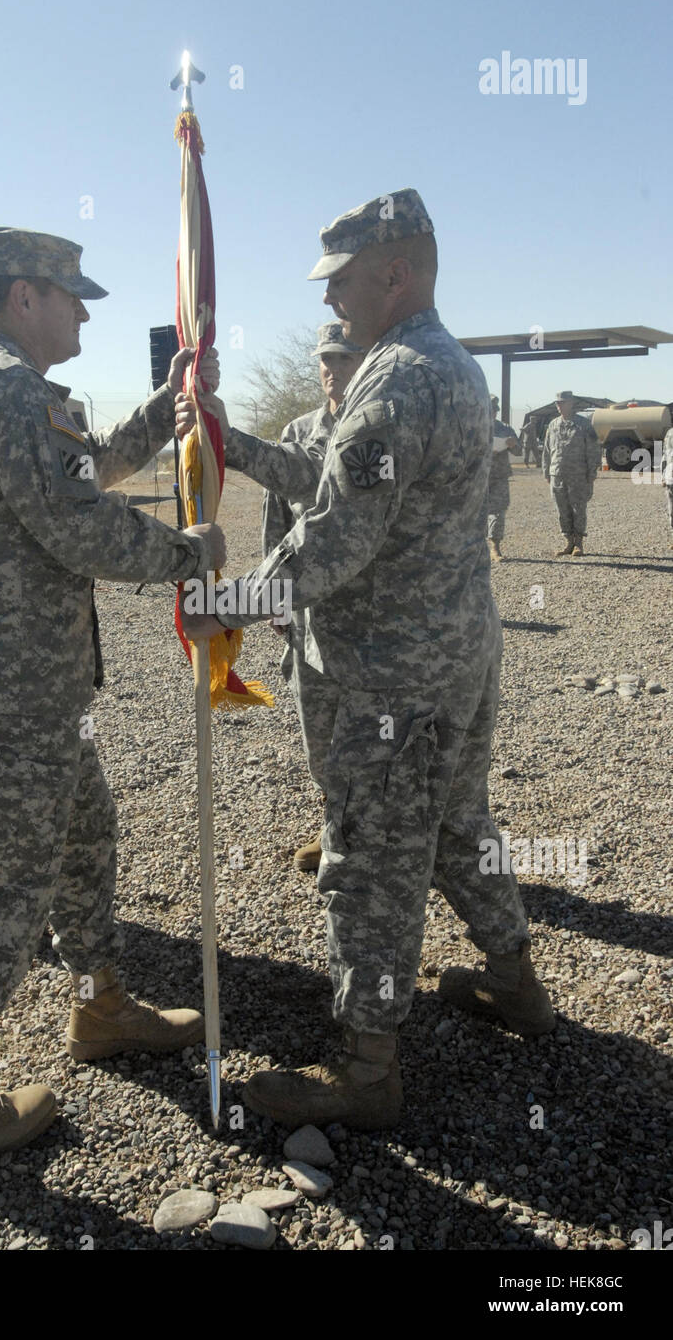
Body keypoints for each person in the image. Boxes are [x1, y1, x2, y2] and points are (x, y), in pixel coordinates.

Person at [178, 189, 553, 1130]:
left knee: (371, 865)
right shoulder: (449, 366)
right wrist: (243, 448)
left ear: (396, 271)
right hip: (456, 653)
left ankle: (367, 1071)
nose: (328, 302)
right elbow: (352, 486)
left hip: (390, 675)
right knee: (459, 825)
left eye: (340, 281)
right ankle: (519, 989)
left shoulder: (392, 381)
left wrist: (228, 601)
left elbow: (337, 539)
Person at [0, 226, 225, 1178]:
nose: (84, 310)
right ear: (22, 296)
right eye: (71, 294)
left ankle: (99, 1002)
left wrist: (165, 412)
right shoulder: (1, 389)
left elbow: (75, 482)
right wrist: (186, 555)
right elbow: (76, 525)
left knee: (87, 836)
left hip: (33, 687)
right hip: (13, 694)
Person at [261, 321, 365, 871]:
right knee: (318, 734)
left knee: (378, 740)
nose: (330, 368)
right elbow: (278, 522)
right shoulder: (298, 432)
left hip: (370, 617)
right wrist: (273, 600)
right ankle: (333, 833)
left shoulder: (382, 427)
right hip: (309, 616)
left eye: (343, 358)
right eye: (324, 359)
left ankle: (382, 845)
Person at [542, 390, 602, 556]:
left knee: (578, 508)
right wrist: (546, 471)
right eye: (557, 403)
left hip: (578, 475)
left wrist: (592, 473)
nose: (559, 406)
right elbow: (547, 450)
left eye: (562, 402)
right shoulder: (553, 425)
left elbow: (593, 449)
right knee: (562, 509)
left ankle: (579, 543)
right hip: (557, 474)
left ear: (571, 403)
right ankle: (568, 541)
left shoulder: (584, 424)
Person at [487, 413, 519, 561]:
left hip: (499, 475)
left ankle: (495, 547)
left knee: (498, 510)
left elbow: (519, 451)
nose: (492, 411)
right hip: (476, 476)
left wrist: (514, 444)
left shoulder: (505, 428)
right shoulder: (472, 423)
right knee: (472, 512)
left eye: (494, 409)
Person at [662, 416, 673, 548]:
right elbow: (665, 455)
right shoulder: (670, 433)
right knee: (671, 511)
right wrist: (663, 476)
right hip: (671, 478)